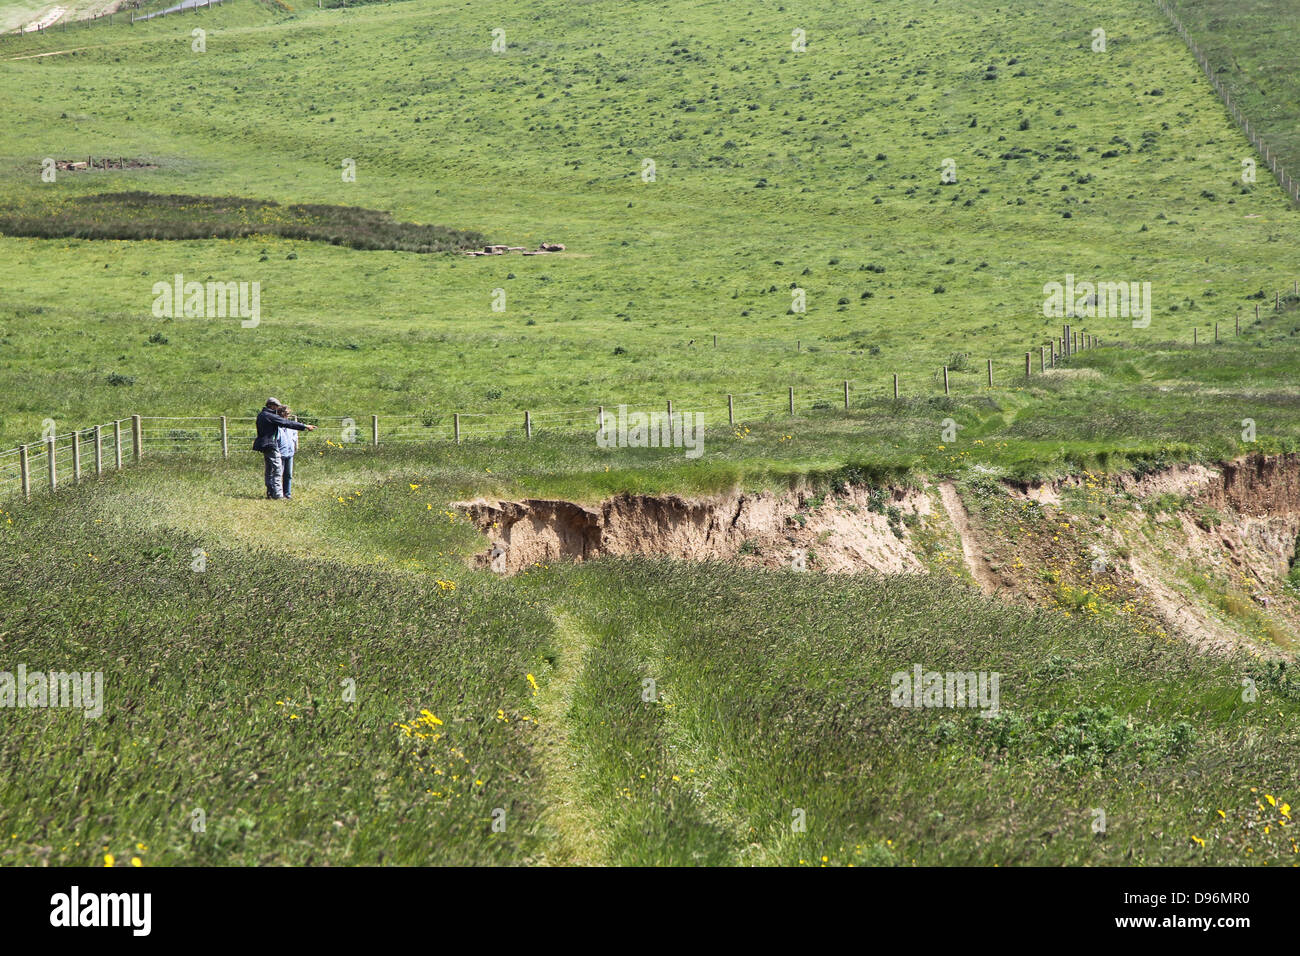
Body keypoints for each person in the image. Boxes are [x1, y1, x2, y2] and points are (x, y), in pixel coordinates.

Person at [253, 397, 313, 499]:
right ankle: (278, 495)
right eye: (276, 406)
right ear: (271, 406)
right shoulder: (269, 415)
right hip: (270, 445)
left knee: (269, 470)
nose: (277, 408)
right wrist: (304, 426)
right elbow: (287, 423)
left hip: (264, 445)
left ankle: (270, 493)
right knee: (277, 469)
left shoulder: (261, 415)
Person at [276, 405, 300, 499]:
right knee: (278, 474)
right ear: (281, 413)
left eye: (288, 413)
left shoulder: (291, 425)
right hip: (280, 453)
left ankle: (287, 493)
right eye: (286, 413)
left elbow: (294, 436)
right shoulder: (276, 425)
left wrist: (293, 446)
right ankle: (278, 493)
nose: (287, 415)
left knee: (288, 474)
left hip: (290, 452)